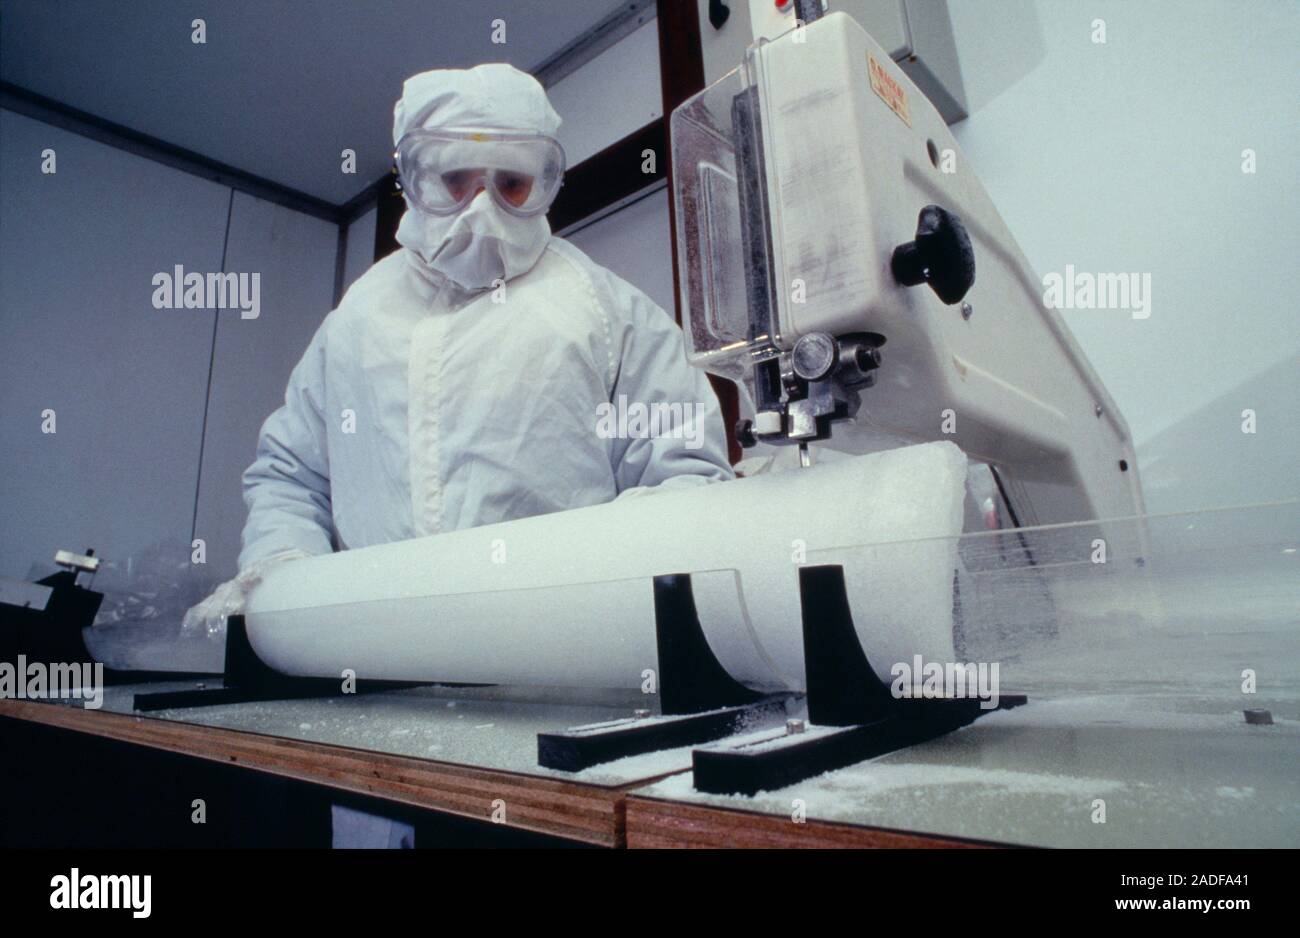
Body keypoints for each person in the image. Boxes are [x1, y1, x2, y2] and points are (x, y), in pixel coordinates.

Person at [182, 63, 733, 636]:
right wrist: (292, 586)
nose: (482, 209)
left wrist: (593, 600)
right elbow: (290, 477)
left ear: (543, 183)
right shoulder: (355, 323)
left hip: (563, 661)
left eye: (511, 184)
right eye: (456, 180)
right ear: (416, 179)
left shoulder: (609, 314)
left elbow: (686, 484)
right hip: (372, 660)